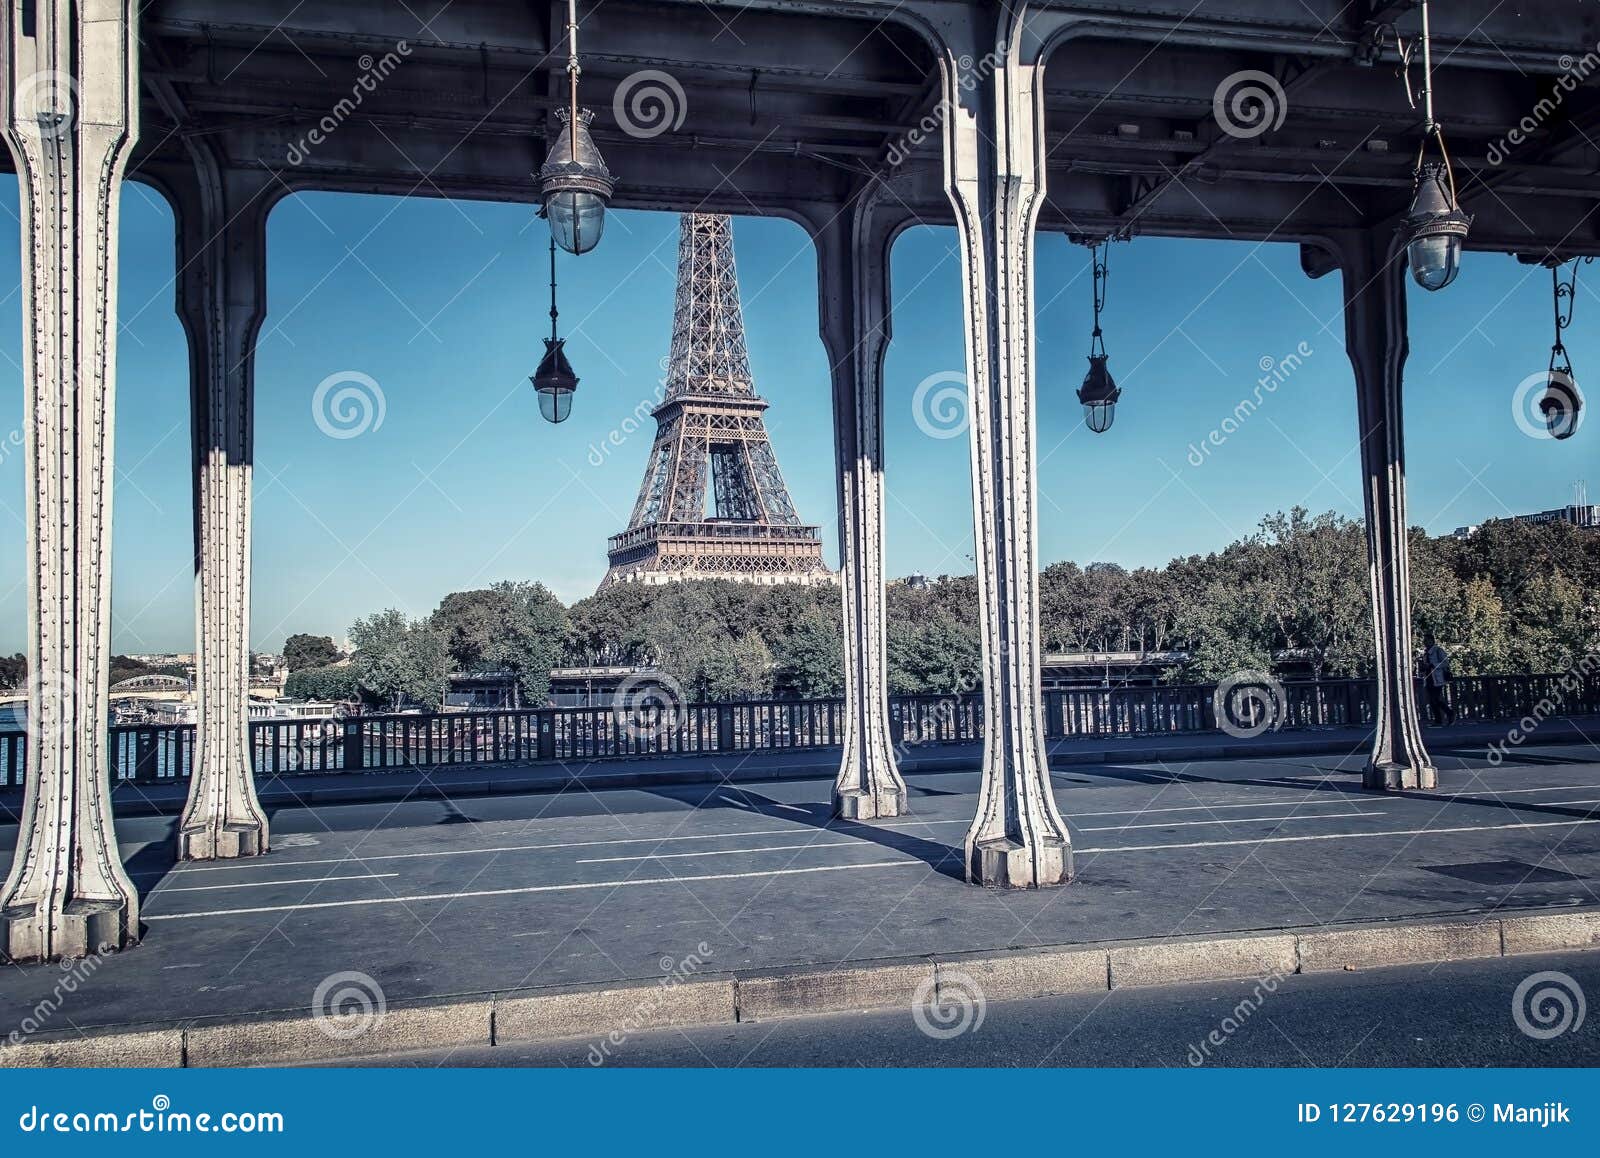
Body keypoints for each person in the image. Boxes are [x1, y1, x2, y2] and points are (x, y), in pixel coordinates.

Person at [1421, 633, 1456, 726]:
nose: (1425, 642)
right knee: (1432, 701)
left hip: (1437, 678)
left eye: (1426, 640)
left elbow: (1445, 663)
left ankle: (1449, 713)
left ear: (1432, 641)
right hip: (1428, 679)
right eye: (1424, 641)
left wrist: (1433, 665)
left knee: (1436, 699)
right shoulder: (1425, 653)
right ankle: (1438, 720)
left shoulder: (1438, 651)